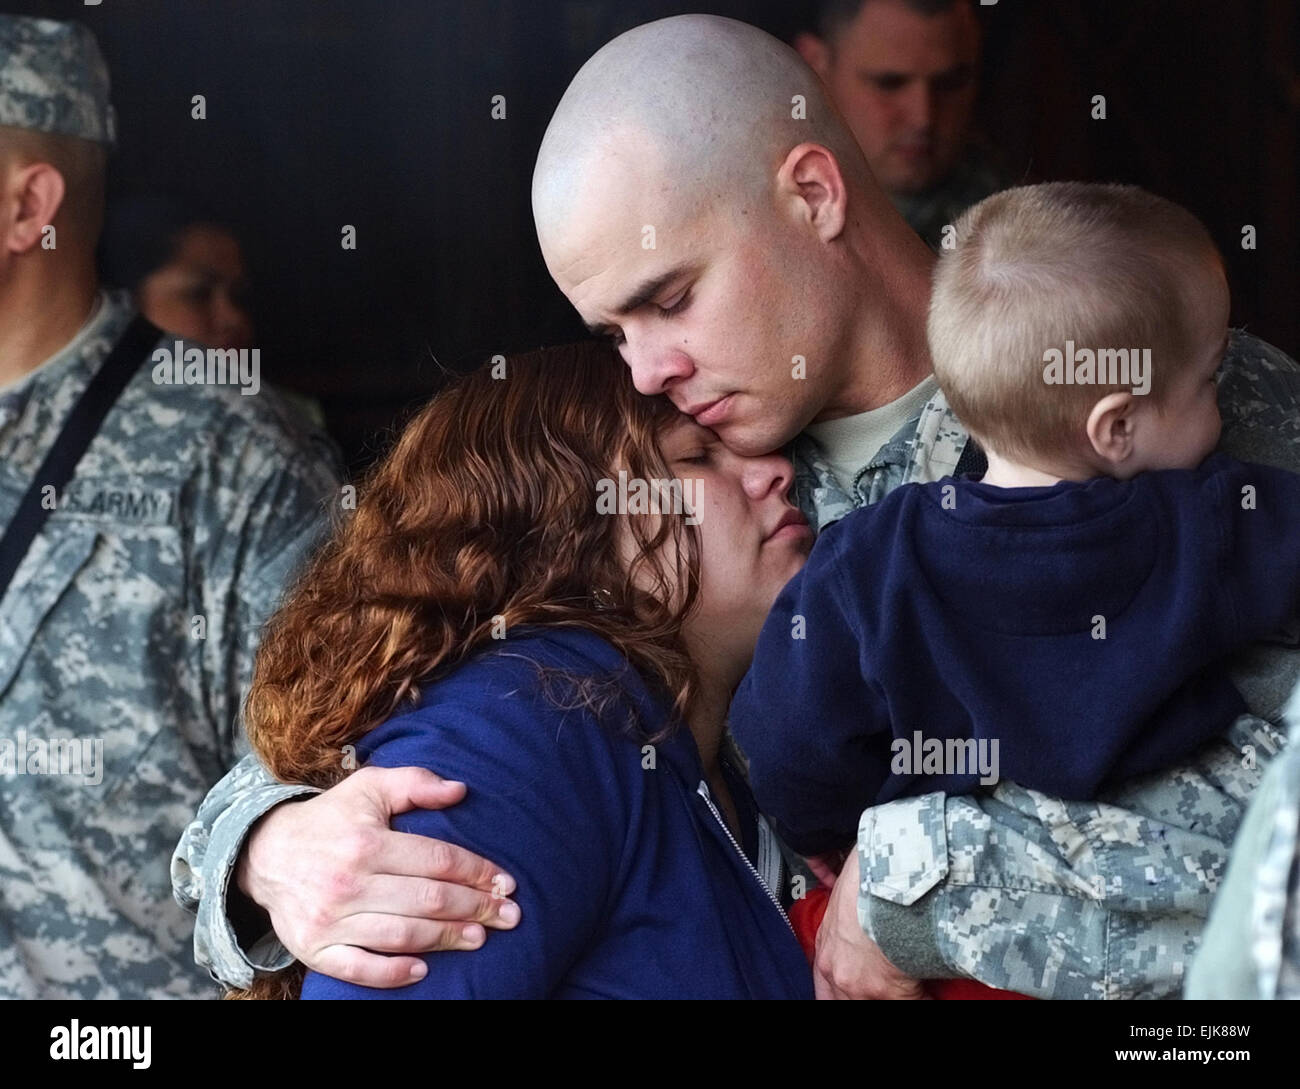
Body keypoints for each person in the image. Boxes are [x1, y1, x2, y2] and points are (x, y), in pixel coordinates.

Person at [176, 15, 1300, 1001]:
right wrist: (265, 844)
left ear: (811, 192)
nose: (647, 371)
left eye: (667, 301)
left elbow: (1276, 842)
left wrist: (922, 881)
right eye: (615, 333)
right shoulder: (683, 498)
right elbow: (410, 668)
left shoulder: (1147, 380)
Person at [227, 344, 814, 999]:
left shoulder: (696, 741)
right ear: (561, 526)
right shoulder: (520, 729)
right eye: (697, 456)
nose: (775, 472)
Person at [731, 182, 1300, 858]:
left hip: (961, 932)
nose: (1219, 401)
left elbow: (784, 745)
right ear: (1115, 426)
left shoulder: (865, 565)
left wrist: (836, 841)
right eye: (1208, 379)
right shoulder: (1204, 524)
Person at [793, 0, 1006, 249]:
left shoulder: (1012, 229)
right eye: (889, 83)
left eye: (949, 84)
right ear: (814, 64)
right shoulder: (765, 210)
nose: (923, 117)